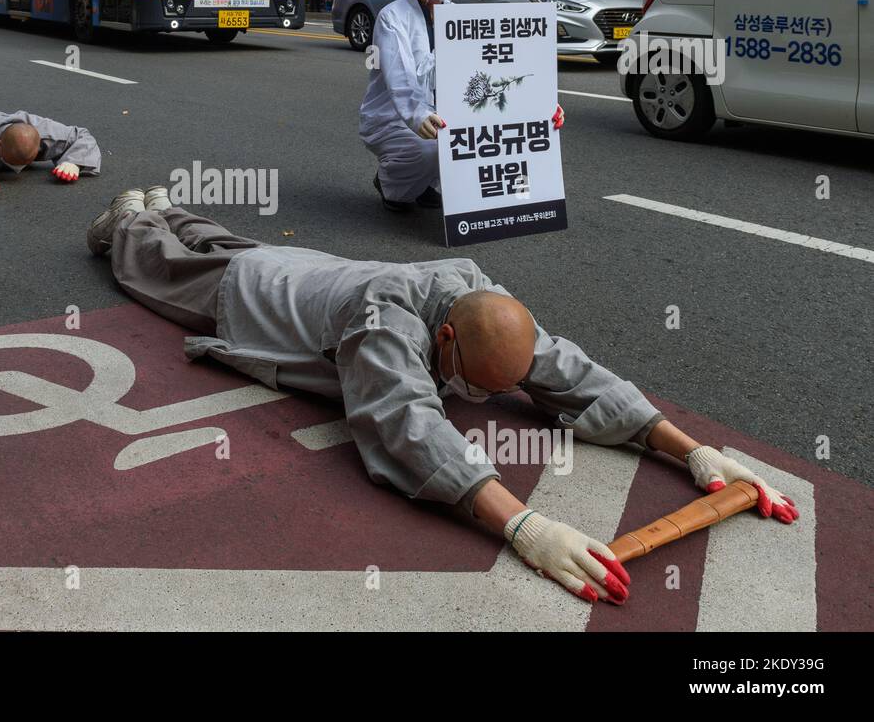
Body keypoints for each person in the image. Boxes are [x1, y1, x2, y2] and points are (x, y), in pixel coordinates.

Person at [85, 195, 801, 605]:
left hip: (304, 267)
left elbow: (574, 375)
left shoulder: (485, 301)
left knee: (219, 239)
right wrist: (524, 528)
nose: (493, 399)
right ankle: (132, 213)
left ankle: (172, 205)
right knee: (148, 262)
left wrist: (695, 452)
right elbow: (405, 426)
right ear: (447, 334)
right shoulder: (385, 325)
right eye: (482, 385)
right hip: (246, 297)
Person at [359, 0, 565, 213]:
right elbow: (400, 75)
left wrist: (540, 106)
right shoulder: (392, 17)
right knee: (431, 149)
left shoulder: (461, 18)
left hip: (446, 111)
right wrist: (417, 114)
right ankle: (391, 185)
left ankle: (422, 184)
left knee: (492, 138)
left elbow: (496, 70)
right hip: (393, 118)